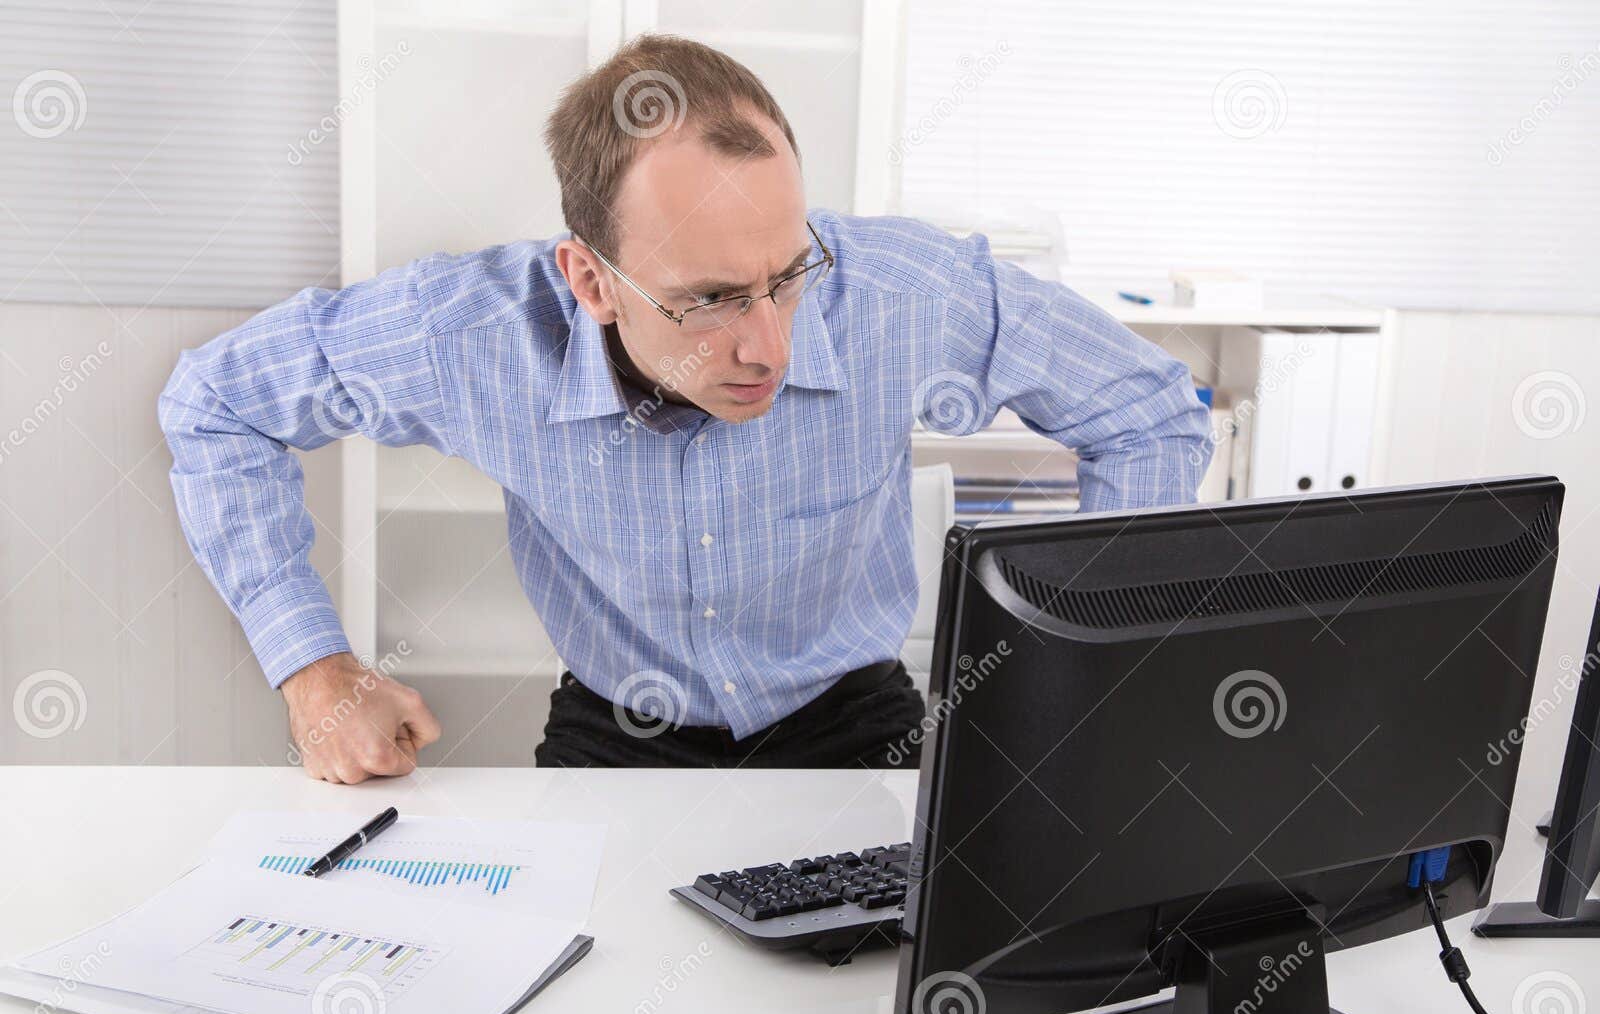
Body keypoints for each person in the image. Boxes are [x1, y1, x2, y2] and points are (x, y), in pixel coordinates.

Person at [158, 34, 1210, 783]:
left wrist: (1085, 662)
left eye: (789, 273)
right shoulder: (464, 332)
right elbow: (214, 403)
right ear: (589, 278)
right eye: (709, 299)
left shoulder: (904, 291)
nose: (769, 343)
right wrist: (313, 669)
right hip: (616, 729)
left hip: (855, 719)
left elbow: (1148, 408)